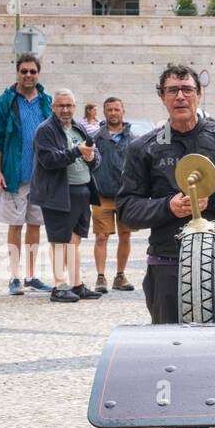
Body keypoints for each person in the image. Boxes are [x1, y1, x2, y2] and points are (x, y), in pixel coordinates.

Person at [116, 64, 215, 324]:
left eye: (187, 89)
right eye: (172, 90)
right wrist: (166, 207)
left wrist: (213, 198)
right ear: (162, 96)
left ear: (199, 94)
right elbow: (127, 211)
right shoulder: (144, 147)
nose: (180, 96)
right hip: (167, 262)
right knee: (169, 345)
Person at [0, 54, 54, 295]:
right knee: (15, 225)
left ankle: (31, 276)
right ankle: (14, 276)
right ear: (17, 73)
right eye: (24, 71)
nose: (28, 75)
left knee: (35, 224)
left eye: (32, 71)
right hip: (14, 176)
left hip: (40, 177)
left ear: (38, 73)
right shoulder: (6, 101)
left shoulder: (46, 101)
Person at [30, 89, 101, 303]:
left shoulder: (79, 128)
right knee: (59, 241)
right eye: (61, 105)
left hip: (82, 191)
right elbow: (49, 160)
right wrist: (77, 152)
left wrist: (90, 157)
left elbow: (96, 157)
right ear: (53, 107)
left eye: (69, 105)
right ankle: (59, 286)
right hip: (58, 193)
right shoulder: (45, 130)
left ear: (75, 107)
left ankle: (77, 284)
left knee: (74, 241)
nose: (65, 110)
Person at [90, 96, 134, 293]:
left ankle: (120, 275)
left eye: (117, 109)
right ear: (104, 112)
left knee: (125, 236)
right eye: (109, 110)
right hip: (102, 196)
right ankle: (100, 277)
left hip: (126, 197)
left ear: (123, 111)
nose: (113, 113)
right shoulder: (95, 138)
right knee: (101, 237)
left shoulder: (134, 139)